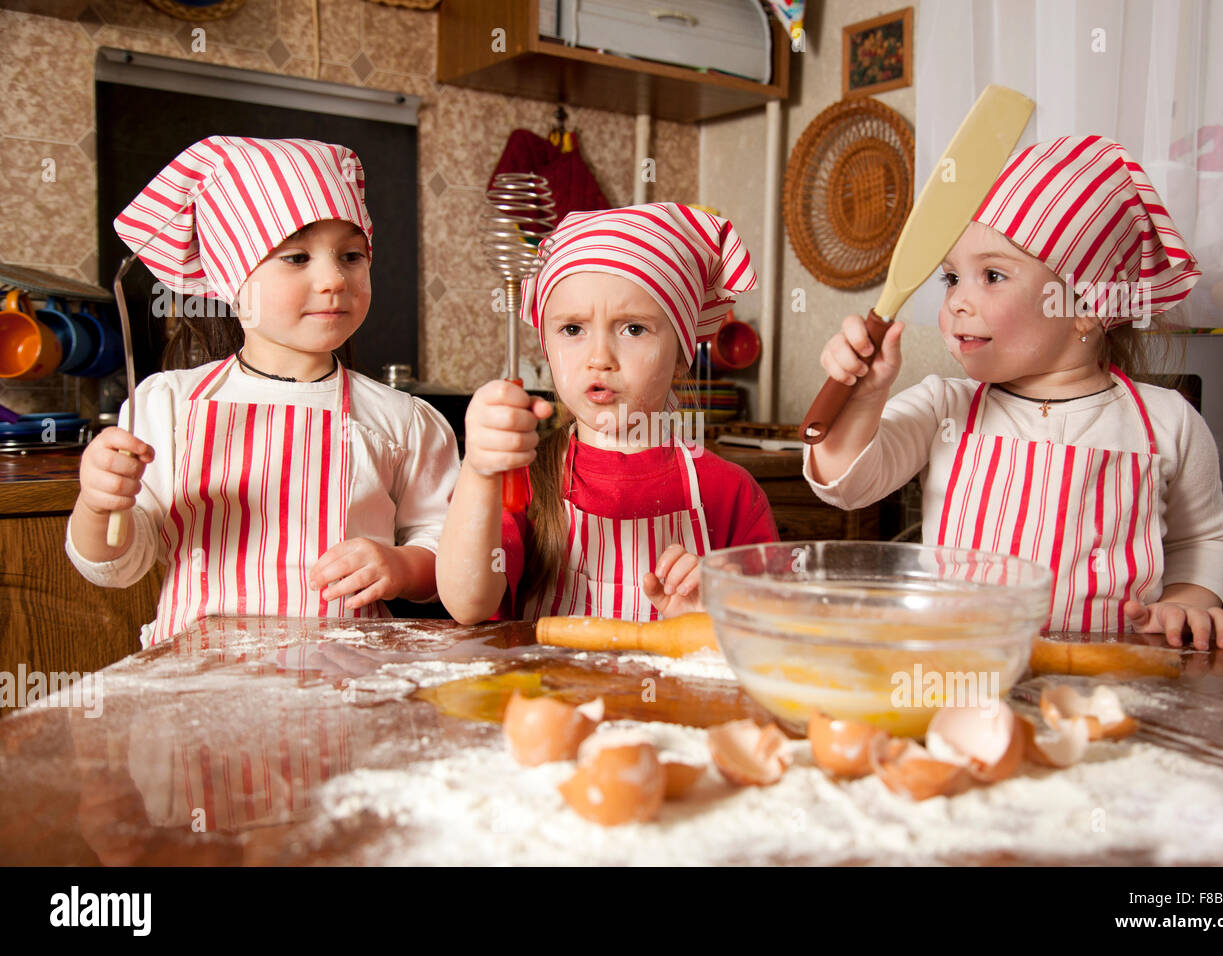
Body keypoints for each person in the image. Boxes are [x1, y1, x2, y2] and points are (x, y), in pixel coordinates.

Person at [806, 135, 1223, 649]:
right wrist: (863, 400)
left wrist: (1190, 602)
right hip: (958, 670)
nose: (958, 302)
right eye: (951, 277)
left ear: (1086, 306)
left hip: (1106, 680)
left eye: (991, 275)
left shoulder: (1166, 421)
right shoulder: (945, 405)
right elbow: (845, 484)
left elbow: (1203, 539)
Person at [66, 136, 458, 646]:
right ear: (232, 275)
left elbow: (448, 553)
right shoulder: (166, 405)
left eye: (352, 255)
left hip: (346, 686)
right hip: (199, 684)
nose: (334, 278)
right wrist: (99, 506)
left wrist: (403, 566)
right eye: (296, 258)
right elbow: (116, 567)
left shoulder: (402, 419)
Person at [437, 202, 778, 623]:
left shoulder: (730, 494)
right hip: (542, 691)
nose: (599, 358)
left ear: (680, 355)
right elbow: (468, 604)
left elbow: (767, 636)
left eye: (633, 328)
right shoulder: (523, 478)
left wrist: (713, 615)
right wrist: (478, 470)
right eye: (573, 329)